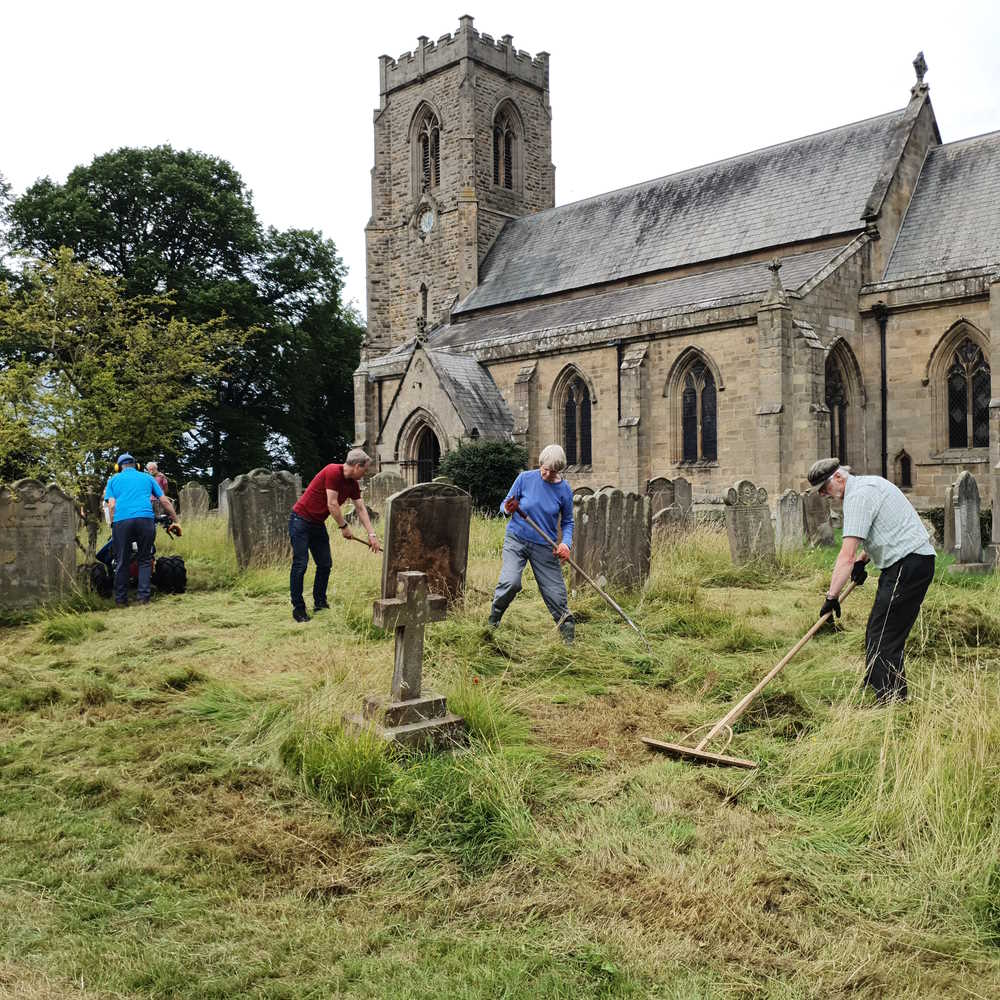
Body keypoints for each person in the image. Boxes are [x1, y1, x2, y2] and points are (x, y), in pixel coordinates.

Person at [808, 458, 935, 703]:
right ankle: (876, 687)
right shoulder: (871, 484)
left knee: (885, 637)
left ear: (838, 477)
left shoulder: (858, 497)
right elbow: (885, 529)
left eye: (824, 488)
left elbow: (845, 555)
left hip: (907, 566)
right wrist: (863, 561)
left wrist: (831, 597)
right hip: (910, 563)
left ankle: (891, 701)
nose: (824, 494)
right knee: (877, 630)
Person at [489, 444, 575, 643]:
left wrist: (566, 544)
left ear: (559, 470)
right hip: (516, 539)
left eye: (552, 472)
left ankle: (568, 639)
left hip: (545, 546)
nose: (546, 474)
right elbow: (504, 504)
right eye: (544, 469)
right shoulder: (525, 478)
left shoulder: (564, 490)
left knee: (556, 594)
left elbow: (568, 521)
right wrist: (508, 509)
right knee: (511, 582)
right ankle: (493, 621)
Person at [289, 448, 380, 622]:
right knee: (301, 564)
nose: (365, 473)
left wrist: (372, 534)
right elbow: (332, 504)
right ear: (357, 466)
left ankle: (320, 603)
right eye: (365, 469)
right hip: (300, 520)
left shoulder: (353, 484)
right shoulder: (333, 471)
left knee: (325, 564)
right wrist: (343, 526)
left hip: (316, 524)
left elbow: (360, 508)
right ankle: (298, 608)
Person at [103, 452, 179, 606]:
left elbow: (111, 504)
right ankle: (144, 598)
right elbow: (164, 500)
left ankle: (121, 600)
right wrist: (176, 521)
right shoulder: (147, 478)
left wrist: (113, 523)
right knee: (145, 559)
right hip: (145, 520)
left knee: (122, 561)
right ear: (136, 466)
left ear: (118, 467)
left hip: (122, 521)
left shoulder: (113, 480)